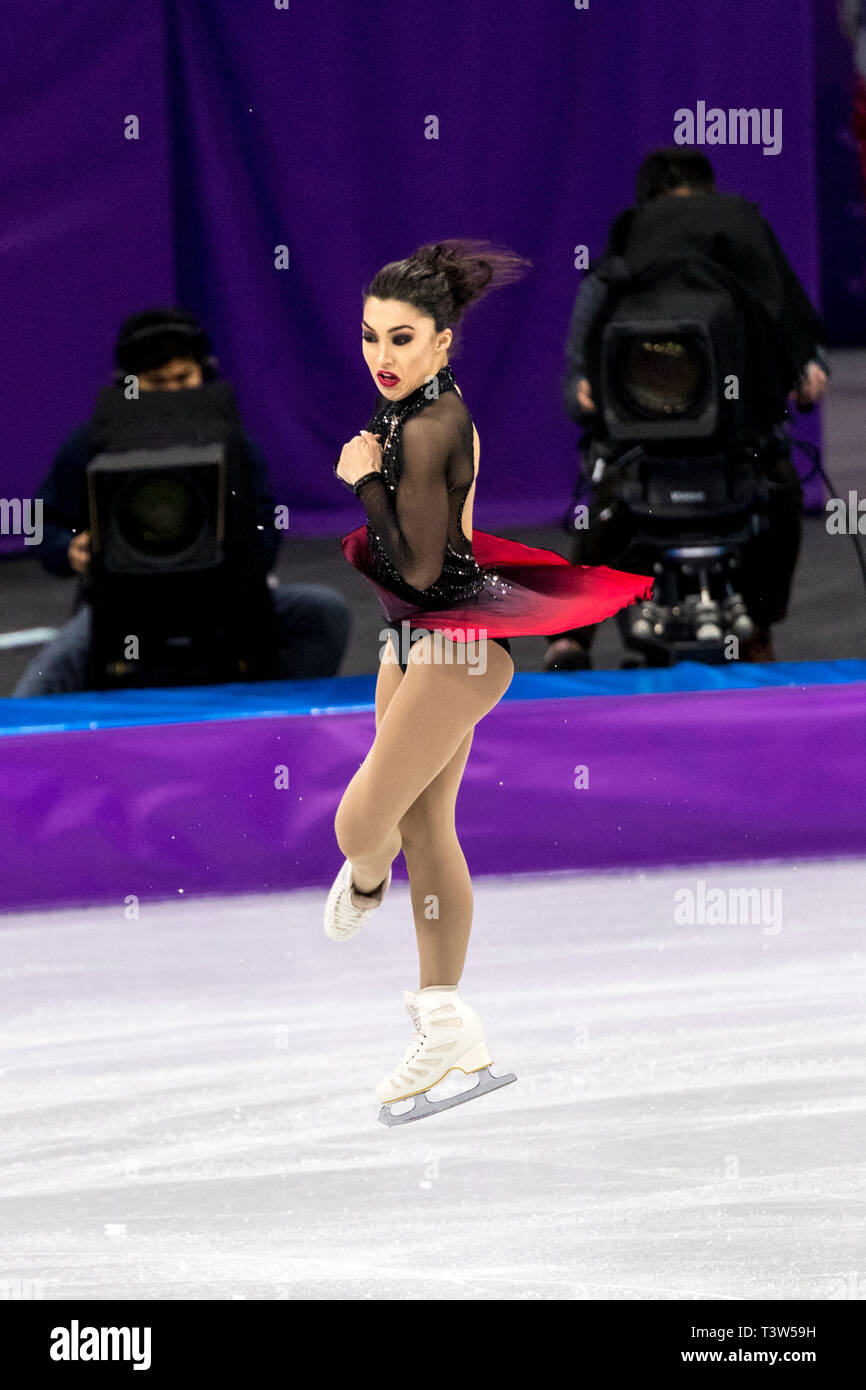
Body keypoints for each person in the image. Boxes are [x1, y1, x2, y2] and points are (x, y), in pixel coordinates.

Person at [323, 240, 654, 1125]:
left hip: (456, 646)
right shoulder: (407, 411)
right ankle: (448, 1024)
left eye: (401, 340)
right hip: (415, 644)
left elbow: (422, 568)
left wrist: (361, 484)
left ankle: (368, 879)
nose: (382, 358)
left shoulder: (430, 427)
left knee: (362, 823)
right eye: (369, 338)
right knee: (426, 826)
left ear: (442, 344)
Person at [544, 149, 829, 671]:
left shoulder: (749, 258)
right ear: (647, 213)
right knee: (607, 506)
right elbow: (574, 376)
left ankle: (758, 625)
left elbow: (795, 330)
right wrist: (581, 390)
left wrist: (811, 368)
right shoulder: (614, 274)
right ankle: (571, 639)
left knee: (783, 495)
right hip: (642, 448)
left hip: (740, 447)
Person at [12, 309, 350, 695]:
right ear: (130, 384)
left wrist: (241, 553)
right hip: (121, 608)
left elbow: (265, 529)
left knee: (323, 613)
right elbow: (41, 523)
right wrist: (69, 549)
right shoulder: (91, 442)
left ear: (202, 372)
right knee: (42, 682)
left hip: (224, 599)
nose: (174, 393)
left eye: (183, 378)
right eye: (158, 382)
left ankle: (279, 726)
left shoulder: (235, 446)